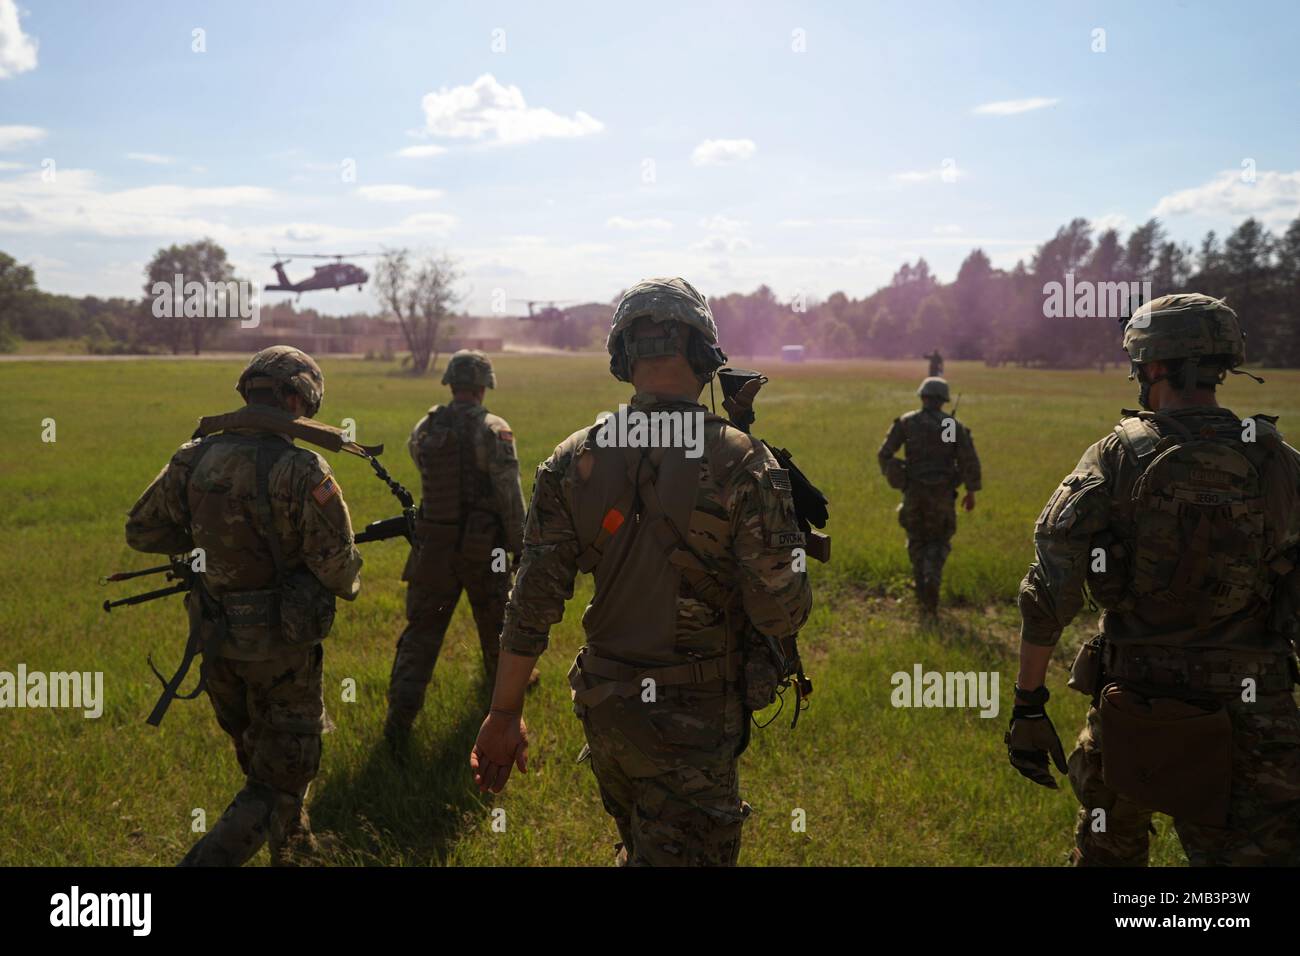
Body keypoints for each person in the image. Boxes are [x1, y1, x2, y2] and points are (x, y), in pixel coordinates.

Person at [469, 277, 813, 866]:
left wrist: (503, 714)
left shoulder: (574, 457)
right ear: (705, 354)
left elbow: (531, 604)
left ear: (623, 357)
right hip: (693, 723)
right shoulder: (742, 461)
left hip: (606, 714)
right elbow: (780, 607)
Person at [1009, 293, 1300, 866]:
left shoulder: (1114, 457)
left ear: (1152, 367)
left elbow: (1050, 591)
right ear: (1222, 364)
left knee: (1109, 860)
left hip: (1134, 707)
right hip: (1256, 714)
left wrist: (1028, 704)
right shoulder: (1278, 461)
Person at [125, 345, 362, 866]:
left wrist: (203, 549)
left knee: (260, 757)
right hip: (280, 650)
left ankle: (296, 851)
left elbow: (141, 530)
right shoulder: (303, 468)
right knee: (282, 776)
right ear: (297, 398)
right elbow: (339, 572)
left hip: (216, 644)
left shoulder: (194, 456)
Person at [384, 350, 527, 746]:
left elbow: (420, 463)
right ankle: (501, 717)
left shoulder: (426, 426)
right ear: (484, 387)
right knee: (499, 632)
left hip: (433, 547)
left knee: (420, 636)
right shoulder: (494, 429)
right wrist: (520, 546)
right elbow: (509, 496)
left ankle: (399, 721)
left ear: (451, 383)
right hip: (485, 552)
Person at [877, 376, 981, 615]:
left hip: (913, 493)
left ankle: (921, 587)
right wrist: (971, 492)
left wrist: (899, 478)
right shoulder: (953, 427)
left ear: (922, 397)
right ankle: (932, 578)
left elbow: (884, 455)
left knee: (916, 538)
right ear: (944, 400)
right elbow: (968, 461)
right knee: (939, 540)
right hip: (943, 496)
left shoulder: (906, 422)